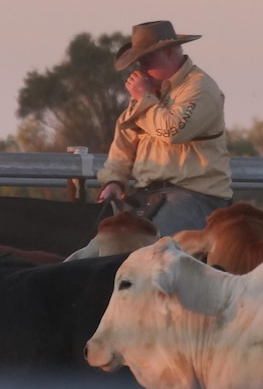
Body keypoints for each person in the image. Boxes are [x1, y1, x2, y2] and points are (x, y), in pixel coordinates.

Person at [96, 21, 233, 236]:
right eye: (139, 62)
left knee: (152, 249)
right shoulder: (151, 91)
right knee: (100, 245)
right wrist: (114, 180)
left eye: (147, 60)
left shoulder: (200, 88)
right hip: (151, 196)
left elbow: (172, 132)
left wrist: (143, 97)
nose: (141, 69)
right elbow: (125, 137)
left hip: (196, 196)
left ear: (169, 53)